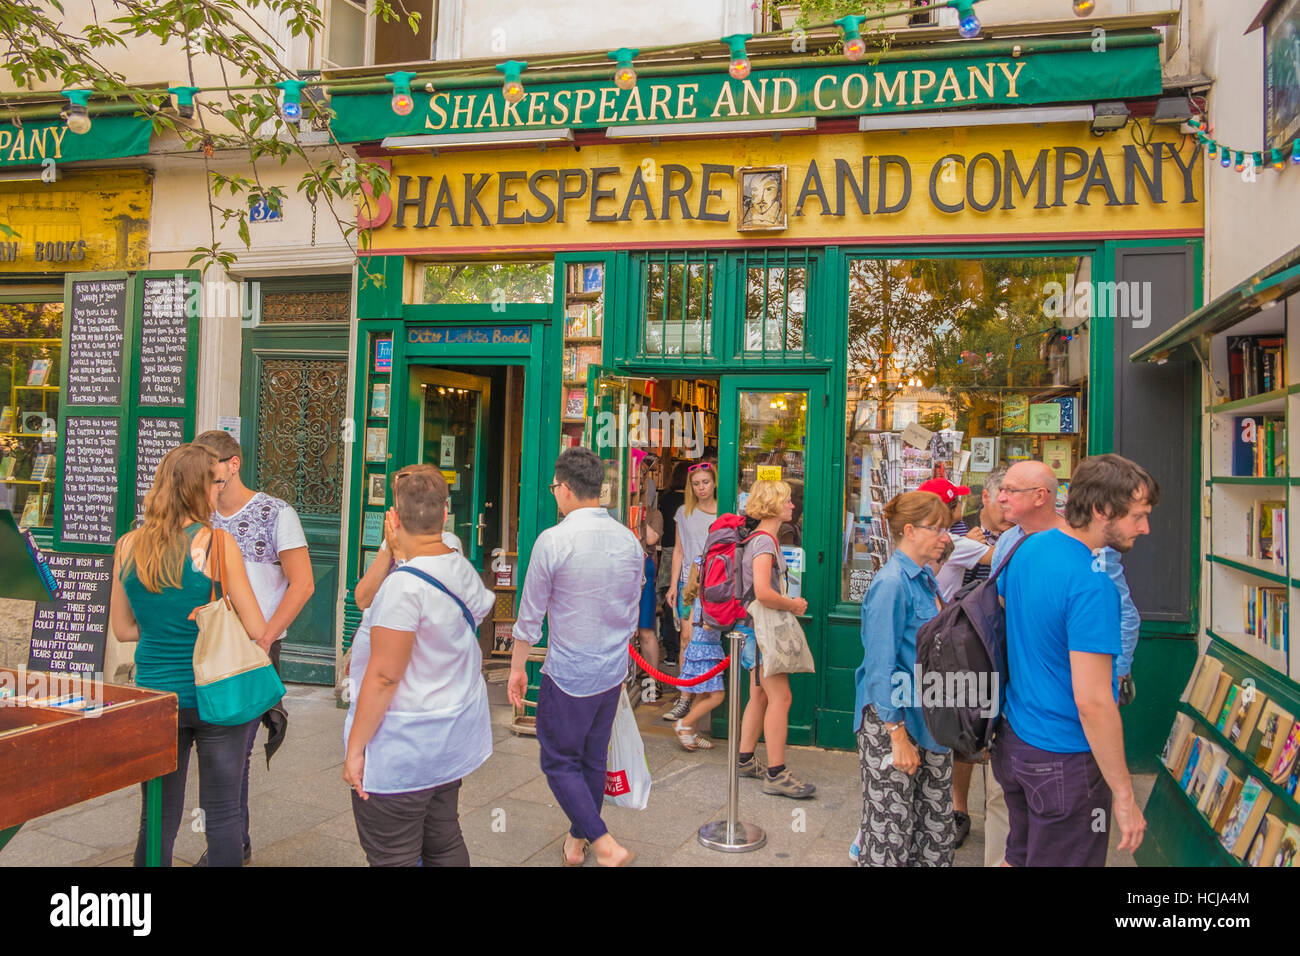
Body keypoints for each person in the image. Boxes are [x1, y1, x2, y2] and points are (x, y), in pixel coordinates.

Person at [993, 453, 1158, 866]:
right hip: (1064, 760)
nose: (1145, 528)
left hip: (1016, 742)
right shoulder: (1093, 585)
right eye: (1138, 515)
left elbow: (1008, 616)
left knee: (1018, 856)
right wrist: (1124, 795)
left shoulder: (1028, 547)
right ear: (1102, 510)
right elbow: (1094, 701)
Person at [109, 443, 269, 867]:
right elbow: (256, 628)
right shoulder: (217, 544)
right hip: (216, 694)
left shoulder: (127, 546)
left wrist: (164, 623)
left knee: (156, 819)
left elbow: (123, 629)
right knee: (222, 814)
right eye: (216, 483)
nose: (220, 490)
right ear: (198, 488)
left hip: (155, 696)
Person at [342, 468, 494, 866]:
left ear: (393, 517)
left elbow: (384, 676)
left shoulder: (404, 587)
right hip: (448, 737)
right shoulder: (459, 566)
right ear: (445, 513)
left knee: (394, 853)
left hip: (402, 747)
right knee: (443, 840)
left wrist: (355, 749)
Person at [508, 447, 643, 867]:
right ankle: (576, 840)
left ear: (565, 488)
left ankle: (603, 843)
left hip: (569, 672)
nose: (554, 494)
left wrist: (517, 667)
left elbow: (529, 614)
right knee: (592, 759)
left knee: (559, 761)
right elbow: (633, 610)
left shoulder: (554, 540)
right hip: (611, 670)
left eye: (554, 487)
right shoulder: (628, 540)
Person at [192, 429, 313, 866]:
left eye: (210, 466)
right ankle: (233, 840)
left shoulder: (275, 513)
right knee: (220, 752)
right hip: (205, 646)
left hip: (252, 647)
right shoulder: (198, 516)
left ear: (233, 463)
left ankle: (230, 844)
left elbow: (302, 584)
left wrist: (265, 638)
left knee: (235, 752)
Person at [853, 490, 955, 866]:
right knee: (890, 835)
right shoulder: (891, 583)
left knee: (934, 831)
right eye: (937, 528)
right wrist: (896, 735)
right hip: (894, 721)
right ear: (909, 531)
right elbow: (880, 666)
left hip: (930, 718)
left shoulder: (925, 577)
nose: (945, 537)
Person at [735, 479, 815, 798]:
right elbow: (763, 592)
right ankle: (777, 773)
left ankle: (745, 759)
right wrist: (793, 604)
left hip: (750, 628)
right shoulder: (765, 543)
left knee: (759, 695)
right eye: (786, 501)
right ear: (772, 506)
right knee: (781, 698)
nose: (792, 505)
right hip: (760, 631)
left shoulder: (759, 539)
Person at [662, 460, 720, 723]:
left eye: (705, 482)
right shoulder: (683, 513)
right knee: (686, 638)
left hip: (714, 585)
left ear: (715, 482)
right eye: (696, 484)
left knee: (704, 641)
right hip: (688, 584)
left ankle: (701, 696)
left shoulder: (723, 512)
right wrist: (673, 585)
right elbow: (679, 550)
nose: (701, 488)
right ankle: (684, 696)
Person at [631, 449, 664, 701]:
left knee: (645, 628)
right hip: (625, 570)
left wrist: (637, 518)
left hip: (645, 570)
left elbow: (651, 538)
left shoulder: (655, 514)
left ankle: (654, 679)